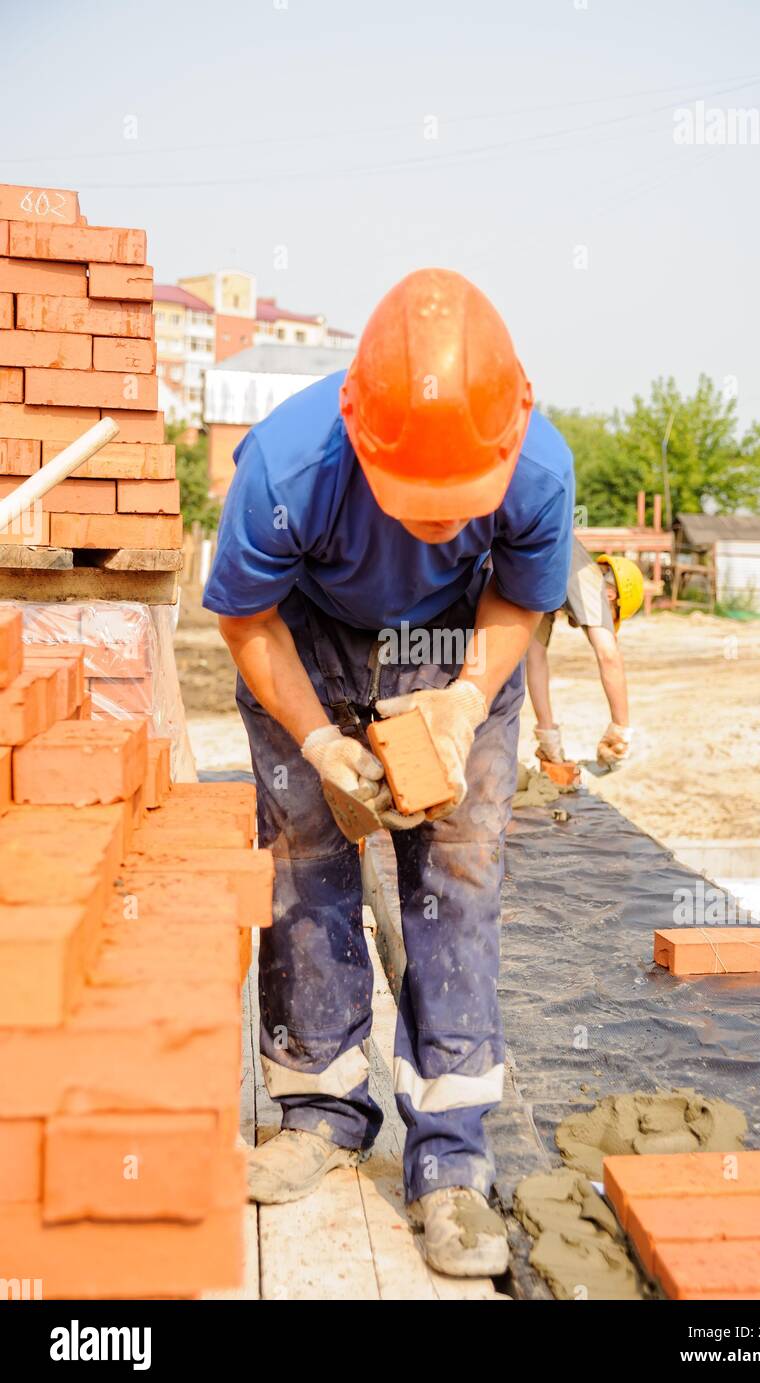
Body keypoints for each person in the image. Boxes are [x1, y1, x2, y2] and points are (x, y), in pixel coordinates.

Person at [203, 268, 574, 1277]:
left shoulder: (537, 467)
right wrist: (322, 742)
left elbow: (520, 605)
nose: (438, 528)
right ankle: (321, 1109)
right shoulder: (288, 466)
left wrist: (460, 701)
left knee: (456, 868)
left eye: (457, 509)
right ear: (361, 442)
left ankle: (450, 1157)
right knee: (304, 858)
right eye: (416, 507)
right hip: (308, 638)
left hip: (457, 645)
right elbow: (244, 617)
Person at [526, 540, 644, 768]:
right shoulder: (589, 580)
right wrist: (620, 731)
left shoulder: (555, 583)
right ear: (610, 596)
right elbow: (608, 655)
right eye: (611, 616)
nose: (606, 622)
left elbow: (535, 658)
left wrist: (547, 733)